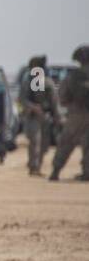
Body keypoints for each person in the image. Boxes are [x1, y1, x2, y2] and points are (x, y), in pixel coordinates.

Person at [49, 44, 89, 182]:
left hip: (76, 115)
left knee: (66, 143)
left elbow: (63, 97)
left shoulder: (73, 76)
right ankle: (87, 173)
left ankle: (55, 171)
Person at [20, 54, 60, 176]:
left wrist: (57, 117)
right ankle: (34, 166)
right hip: (33, 116)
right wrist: (33, 107)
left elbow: (54, 102)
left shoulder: (47, 82)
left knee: (44, 144)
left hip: (45, 116)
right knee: (35, 142)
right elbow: (23, 99)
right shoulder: (28, 82)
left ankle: (37, 165)